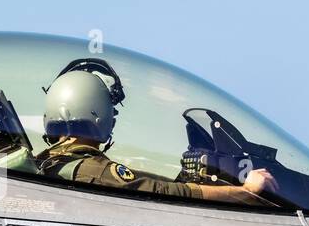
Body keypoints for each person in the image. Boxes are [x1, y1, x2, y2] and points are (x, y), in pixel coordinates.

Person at [35, 68, 277, 205]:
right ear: (101, 115)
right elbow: (161, 192)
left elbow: (150, 183)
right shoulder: (93, 171)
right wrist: (246, 192)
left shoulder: (48, 163)